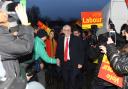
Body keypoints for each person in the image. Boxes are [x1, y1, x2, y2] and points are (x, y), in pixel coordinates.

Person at [0, 3, 34, 89]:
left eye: (5, 11)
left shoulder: (5, 31)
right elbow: (26, 47)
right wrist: (25, 23)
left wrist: (21, 79)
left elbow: (9, 64)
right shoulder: (1, 38)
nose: (5, 13)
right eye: (1, 11)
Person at [56, 25, 84, 89]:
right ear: (63, 31)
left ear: (71, 31)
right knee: (65, 81)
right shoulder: (60, 39)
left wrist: (81, 62)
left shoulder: (77, 39)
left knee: (72, 80)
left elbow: (81, 51)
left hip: (74, 63)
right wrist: (57, 58)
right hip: (64, 63)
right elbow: (58, 50)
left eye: (68, 30)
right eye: (65, 30)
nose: (67, 31)